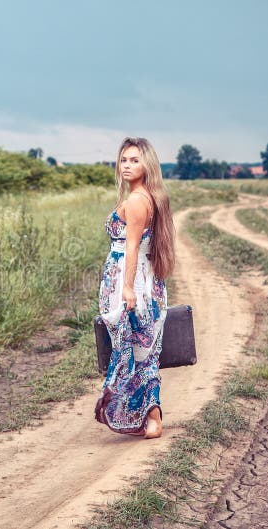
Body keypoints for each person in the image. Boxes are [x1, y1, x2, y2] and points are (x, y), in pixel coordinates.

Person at [94, 137, 176, 438]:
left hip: (133, 281)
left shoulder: (137, 201)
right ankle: (148, 416)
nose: (127, 165)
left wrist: (126, 288)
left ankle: (151, 416)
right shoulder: (146, 197)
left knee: (134, 348)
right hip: (145, 277)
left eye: (135, 160)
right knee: (142, 349)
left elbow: (131, 248)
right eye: (124, 160)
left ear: (147, 165)